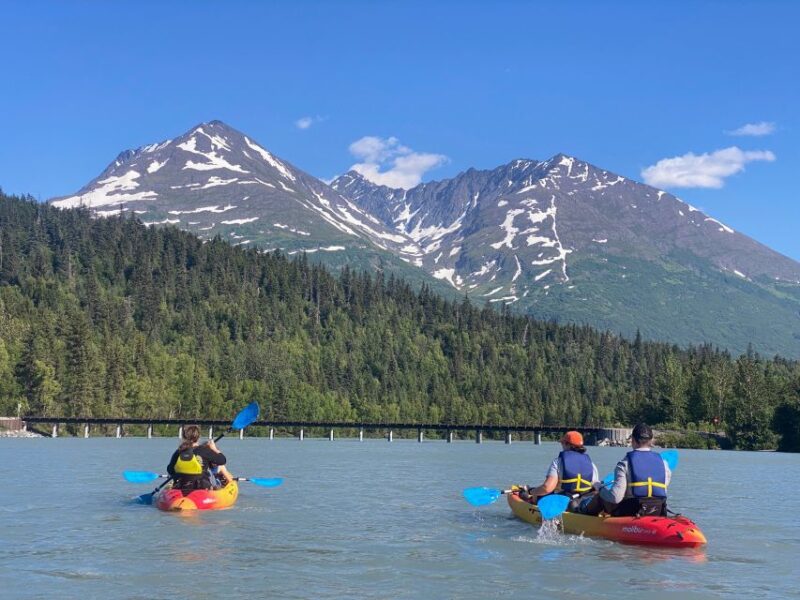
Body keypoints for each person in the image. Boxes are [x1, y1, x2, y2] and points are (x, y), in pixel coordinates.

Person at [581, 422, 671, 517]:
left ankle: (581, 512)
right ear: (651, 441)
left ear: (633, 440)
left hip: (633, 511)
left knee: (600, 497)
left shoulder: (624, 463)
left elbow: (616, 497)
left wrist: (600, 488)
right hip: (657, 509)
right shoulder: (664, 463)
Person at [520, 430, 600, 512]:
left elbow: (547, 488)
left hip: (562, 503)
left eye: (562, 443)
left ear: (568, 444)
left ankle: (528, 497)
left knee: (531, 494)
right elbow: (596, 488)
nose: (561, 445)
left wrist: (531, 491)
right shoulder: (591, 464)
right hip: (582, 503)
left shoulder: (558, 462)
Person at [167, 425, 232, 495]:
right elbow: (222, 460)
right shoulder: (205, 450)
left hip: (182, 485)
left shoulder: (179, 451)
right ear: (198, 437)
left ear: (184, 437)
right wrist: (214, 448)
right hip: (202, 486)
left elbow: (170, 469)